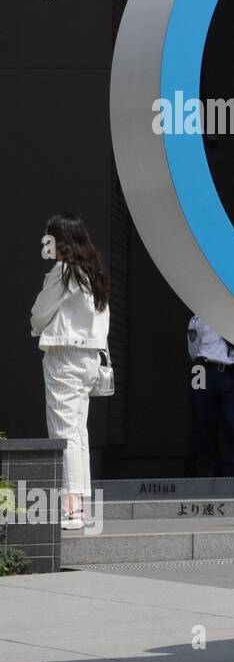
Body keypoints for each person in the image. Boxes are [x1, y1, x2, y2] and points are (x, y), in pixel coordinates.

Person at [30, 213, 111, 531]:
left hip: (65, 356)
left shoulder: (64, 272)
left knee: (64, 434)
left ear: (60, 240)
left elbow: (39, 312)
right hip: (89, 358)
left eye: (48, 237)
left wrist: (39, 324)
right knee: (78, 434)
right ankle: (78, 506)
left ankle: (71, 509)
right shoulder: (94, 272)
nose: (44, 242)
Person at [187, 315, 234, 477]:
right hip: (202, 371)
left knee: (232, 419)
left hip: (229, 371)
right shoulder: (197, 319)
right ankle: (210, 466)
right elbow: (193, 349)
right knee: (203, 418)